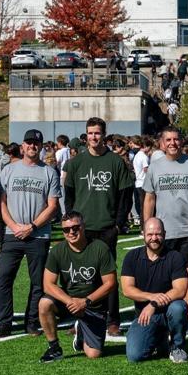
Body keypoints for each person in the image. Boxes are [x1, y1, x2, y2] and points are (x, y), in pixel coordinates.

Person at [63, 117, 134, 336]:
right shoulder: (76, 162)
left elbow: (125, 195)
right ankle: (82, 319)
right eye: (91, 133)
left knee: (107, 277)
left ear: (104, 135)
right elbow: (69, 196)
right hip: (81, 228)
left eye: (97, 133)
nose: (94, 137)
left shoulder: (115, 161)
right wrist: (71, 224)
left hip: (106, 227)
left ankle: (112, 320)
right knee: (82, 276)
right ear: (86, 135)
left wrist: (118, 225)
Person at [143, 126, 188, 338]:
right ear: (162, 143)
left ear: (182, 142)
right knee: (162, 278)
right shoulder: (155, 167)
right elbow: (149, 198)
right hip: (162, 233)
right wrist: (147, 226)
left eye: (176, 139)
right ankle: (163, 318)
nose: (173, 143)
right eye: (168, 140)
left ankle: (187, 321)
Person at [0, 129, 60, 337]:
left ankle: (32, 322)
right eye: (29, 142)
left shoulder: (49, 172)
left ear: (41, 147)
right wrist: (13, 226)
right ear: (22, 146)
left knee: (38, 281)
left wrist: (32, 226)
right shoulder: (8, 170)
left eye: (36, 143)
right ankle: (4, 323)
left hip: (38, 235)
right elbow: (1, 202)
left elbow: (52, 206)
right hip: (11, 233)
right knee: (3, 278)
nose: (32, 146)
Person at [37, 211, 117, 362]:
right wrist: (70, 301)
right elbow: (47, 284)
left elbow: (110, 283)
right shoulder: (57, 251)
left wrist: (85, 301)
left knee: (93, 354)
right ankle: (54, 348)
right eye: (66, 229)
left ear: (83, 227)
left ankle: (80, 332)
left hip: (93, 305)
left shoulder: (100, 248)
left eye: (75, 227)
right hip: (69, 302)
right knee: (44, 303)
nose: (71, 232)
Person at [122, 218, 188, 363]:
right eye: (150, 234)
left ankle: (177, 347)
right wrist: (151, 297)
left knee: (179, 307)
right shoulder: (132, 257)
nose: (154, 238)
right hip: (145, 316)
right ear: (143, 234)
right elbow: (127, 289)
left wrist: (153, 304)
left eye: (158, 234)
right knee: (134, 356)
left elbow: (180, 290)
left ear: (164, 234)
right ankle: (159, 338)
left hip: (168, 311)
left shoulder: (175, 257)